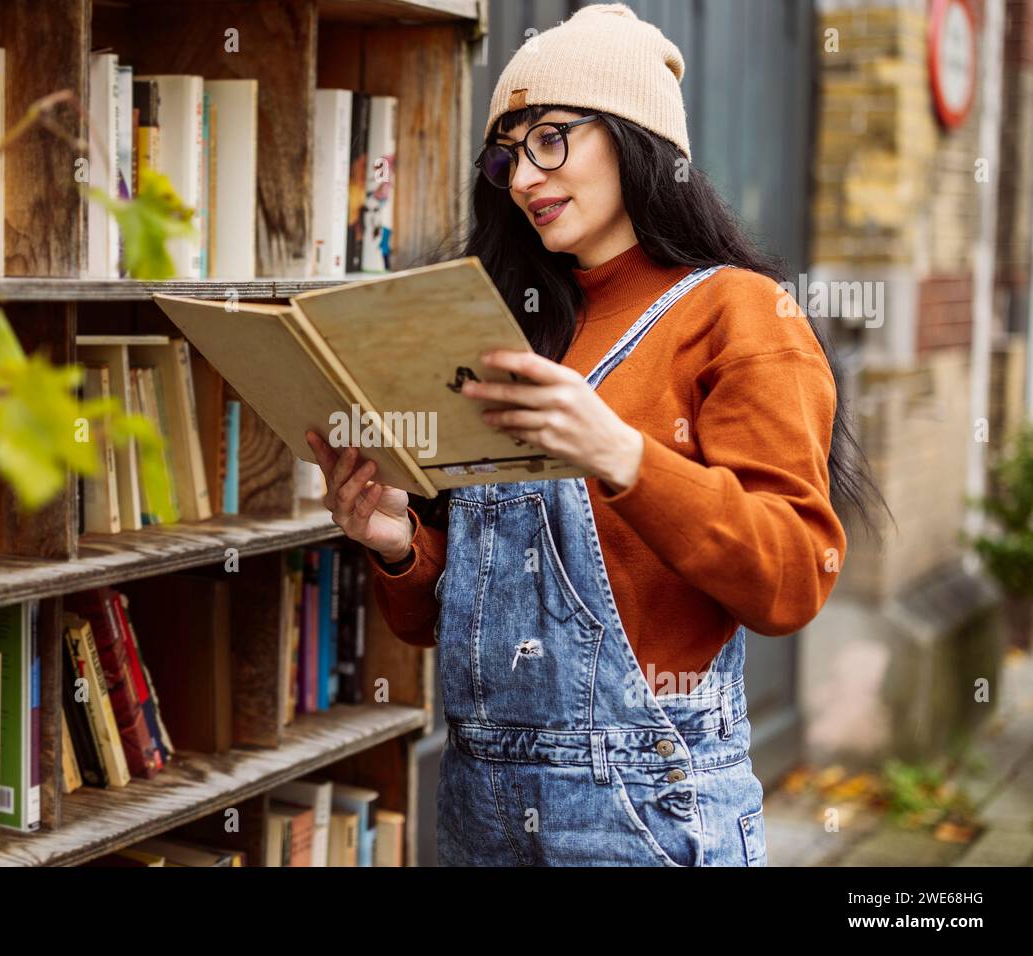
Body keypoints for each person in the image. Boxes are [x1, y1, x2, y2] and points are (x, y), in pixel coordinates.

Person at [303, 3, 883, 866]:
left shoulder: (741, 312)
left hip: (644, 808)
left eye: (552, 138)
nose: (525, 175)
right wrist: (399, 547)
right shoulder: (515, 326)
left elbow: (792, 579)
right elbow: (460, 628)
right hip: (478, 800)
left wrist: (622, 455)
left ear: (635, 139)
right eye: (508, 152)